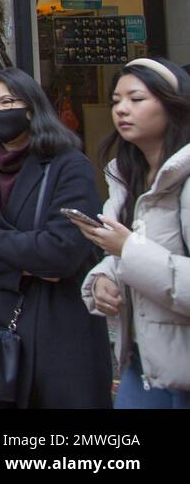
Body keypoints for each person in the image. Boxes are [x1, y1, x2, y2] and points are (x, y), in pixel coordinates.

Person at [0, 67, 112, 409]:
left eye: (6, 101)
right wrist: (23, 268)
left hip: (62, 330)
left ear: (31, 105)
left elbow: (62, 251)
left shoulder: (69, 166)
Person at [78, 58, 190, 408]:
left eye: (136, 99)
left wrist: (128, 249)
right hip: (141, 361)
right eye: (115, 101)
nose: (122, 109)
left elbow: (133, 250)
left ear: (172, 104)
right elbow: (127, 255)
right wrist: (101, 281)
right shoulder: (127, 178)